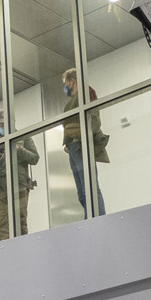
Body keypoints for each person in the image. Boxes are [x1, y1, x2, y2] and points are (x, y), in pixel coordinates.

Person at [0, 111, 38, 239]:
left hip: (19, 184)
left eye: (5, 124)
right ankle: (7, 253)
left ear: (12, 122)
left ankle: (22, 249)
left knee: (20, 220)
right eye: (0, 124)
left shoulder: (23, 137)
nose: (2, 127)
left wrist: (19, 149)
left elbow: (35, 158)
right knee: (2, 224)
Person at [60, 68, 106, 217]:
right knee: (81, 191)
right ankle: (89, 217)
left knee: (90, 187)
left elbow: (94, 119)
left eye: (65, 83)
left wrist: (80, 135)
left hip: (81, 144)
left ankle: (97, 218)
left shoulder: (87, 93)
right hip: (73, 147)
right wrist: (67, 142)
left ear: (72, 80)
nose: (65, 86)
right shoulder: (71, 102)